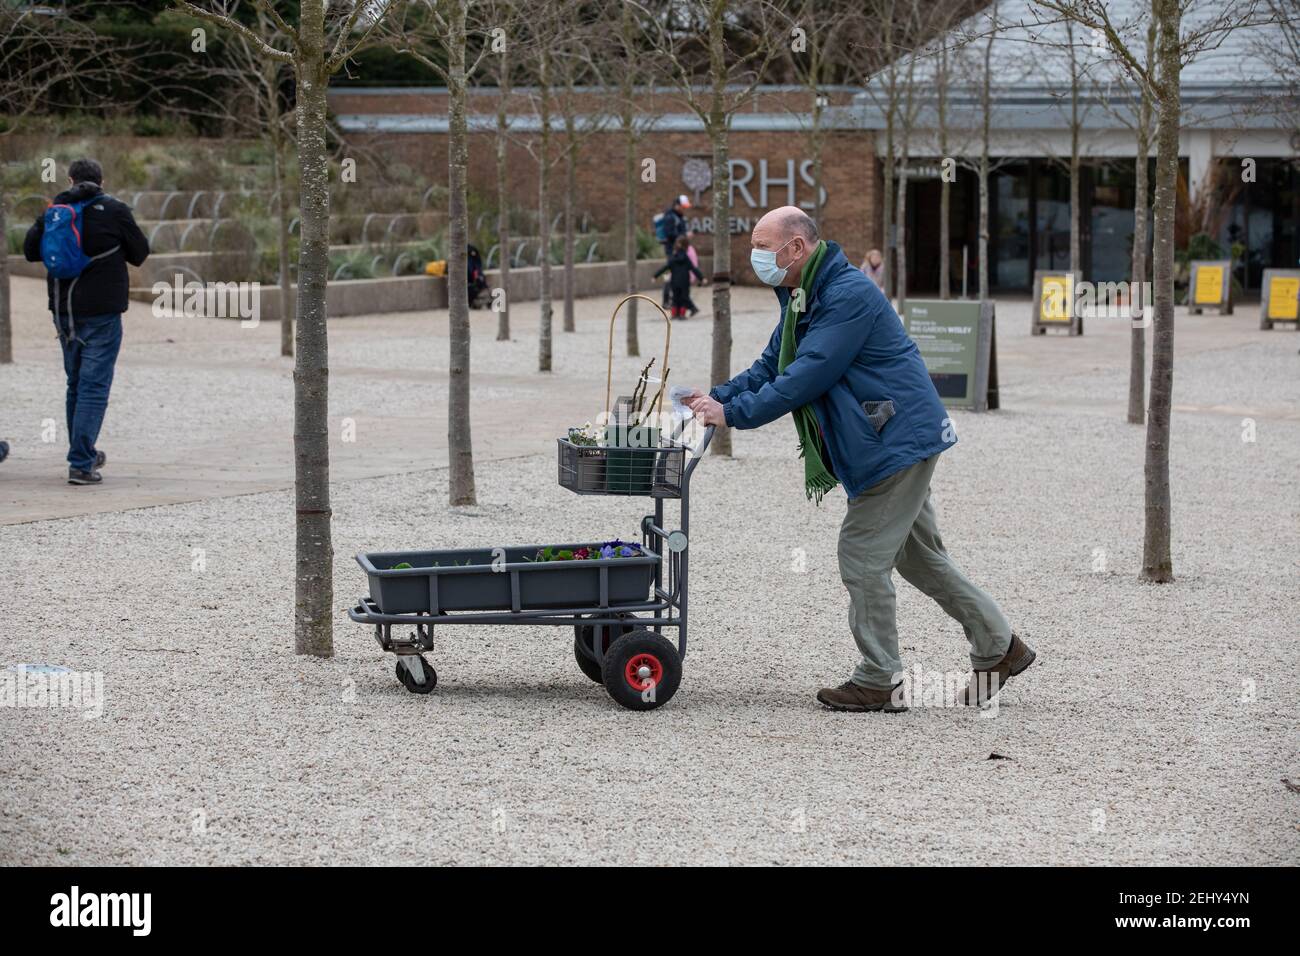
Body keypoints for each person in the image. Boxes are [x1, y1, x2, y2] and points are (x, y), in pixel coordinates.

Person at [683, 206, 1034, 713]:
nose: (754, 256)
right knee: (920, 559)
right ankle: (1001, 647)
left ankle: (879, 679)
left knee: (862, 555)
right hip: (890, 437)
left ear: (796, 248)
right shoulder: (805, 292)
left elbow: (811, 372)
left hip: (893, 440)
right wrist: (714, 398)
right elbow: (771, 364)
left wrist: (733, 413)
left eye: (763, 246)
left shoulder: (846, 294)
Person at [24, 158, 149, 485]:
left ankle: (84, 453)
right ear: (101, 182)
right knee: (94, 386)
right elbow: (140, 253)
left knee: (76, 383)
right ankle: (81, 462)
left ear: (69, 179)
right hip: (102, 312)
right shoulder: (114, 210)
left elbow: (29, 250)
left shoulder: (56, 210)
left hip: (64, 313)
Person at [653, 235, 705, 320]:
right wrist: (702, 278)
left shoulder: (673, 258)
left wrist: (655, 275)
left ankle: (674, 315)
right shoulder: (686, 258)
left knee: (675, 298)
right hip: (685, 281)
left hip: (674, 281)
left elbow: (665, 267)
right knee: (684, 298)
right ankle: (682, 314)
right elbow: (693, 268)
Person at [655, 195, 691, 306]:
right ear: (677, 205)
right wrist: (685, 235)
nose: (684, 209)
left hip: (675, 251)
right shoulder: (670, 217)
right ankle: (667, 300)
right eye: (683, 206)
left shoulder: (678, 216)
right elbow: (670, 234)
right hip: (672, 251)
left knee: (672, 274)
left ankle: (672, 300)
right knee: (671, 274)